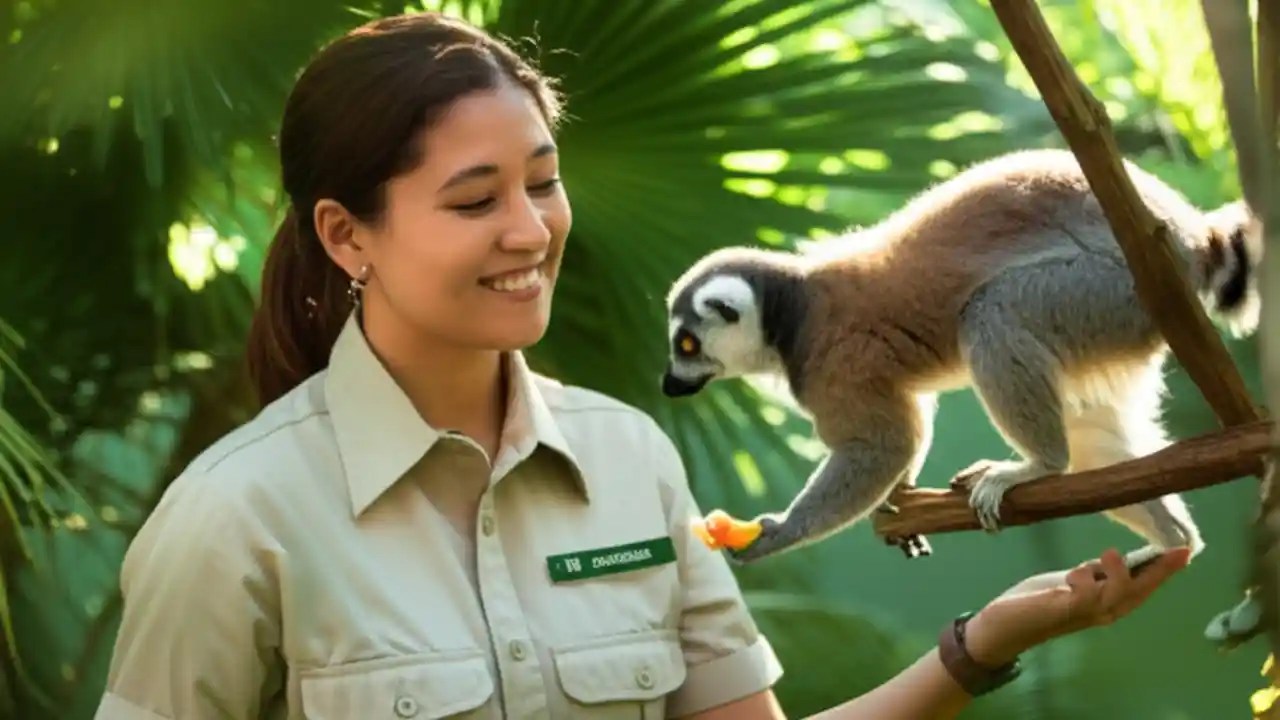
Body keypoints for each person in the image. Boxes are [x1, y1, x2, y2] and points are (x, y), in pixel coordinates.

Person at [93, 11, 1192, 720]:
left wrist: (978, 645)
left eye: (542, 180)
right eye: (475, 200)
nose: (530, 232)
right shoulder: (237, 515)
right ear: (347, 237)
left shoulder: (627, 464)